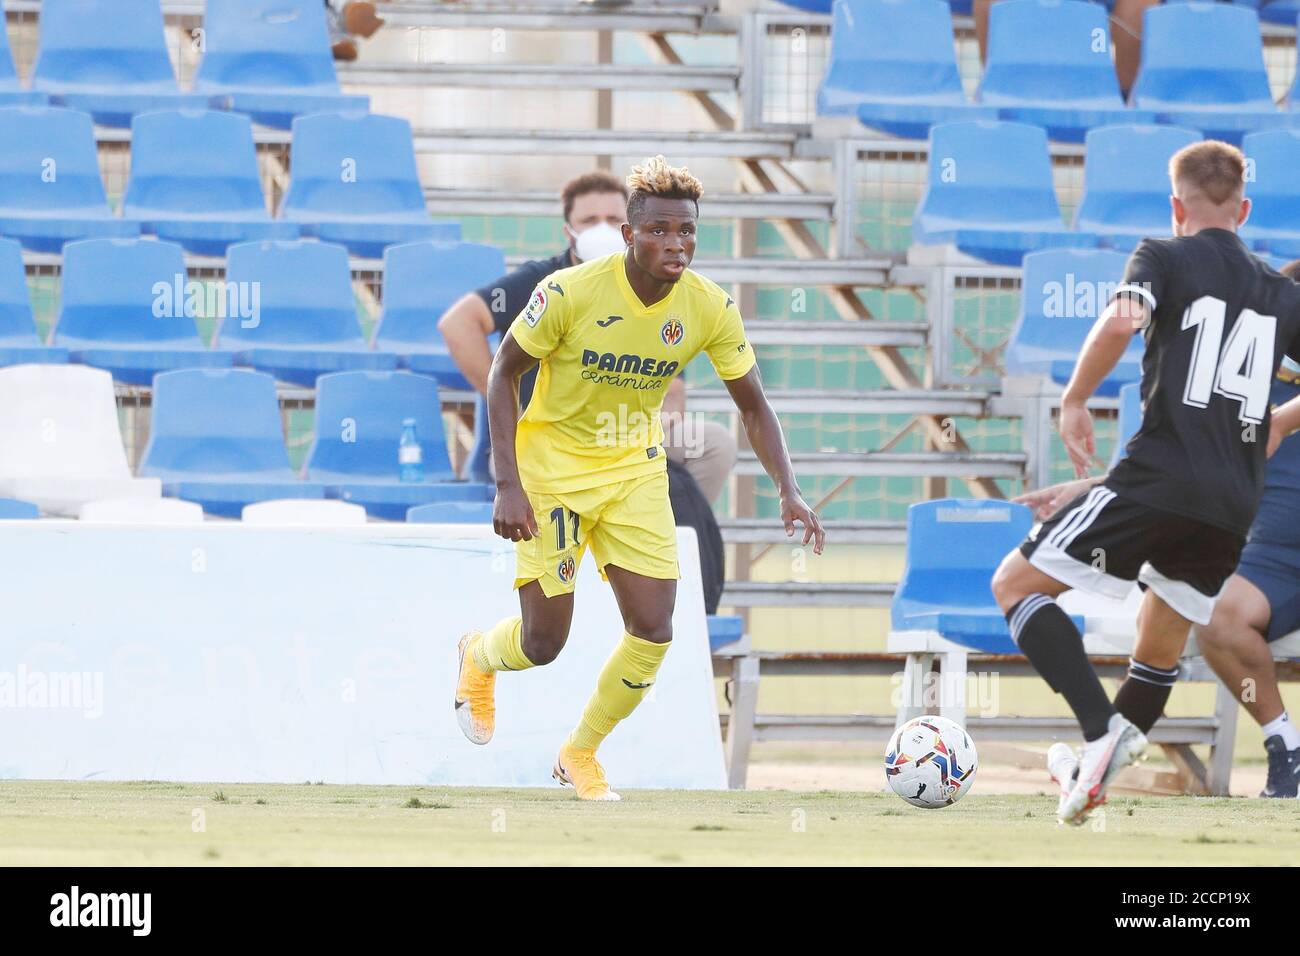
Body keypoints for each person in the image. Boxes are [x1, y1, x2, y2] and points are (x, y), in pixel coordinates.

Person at [452, 155, 825, 800]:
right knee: (544, 643)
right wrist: (507, 482)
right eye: (658, 231)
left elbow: (753, 405)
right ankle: (479, 655)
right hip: (554, 472)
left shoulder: (708, 306)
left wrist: (788, 490)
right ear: (629, 234)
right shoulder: (568, 292)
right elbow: (501, 372)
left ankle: (580, 752)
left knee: (654, 629)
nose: (674, 244)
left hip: (634, 473)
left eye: (686, 232)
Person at [990, 140, 1300, 825]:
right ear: (1244, 209)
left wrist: (1075, 398)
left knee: (1014, 584)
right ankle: (1094, 776)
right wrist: (1279, 417)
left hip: (1157, 479)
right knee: (1156, 649)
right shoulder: (1283, 294)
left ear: (1176, 206)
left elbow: (1123, 319)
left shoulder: (1162, 255)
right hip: (1230, 508)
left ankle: (1099, 736)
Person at [437, 171, 739, 503]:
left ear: (632, 228)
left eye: (612, 219)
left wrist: (636, 442)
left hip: (627, 435)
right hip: (546, 437)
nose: (602, 228)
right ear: (569, 231)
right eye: (590, 219)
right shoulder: (541, 281)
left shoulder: (659, 287)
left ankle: (677, 542)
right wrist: (513, 404)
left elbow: (674, 396)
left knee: (713, 443)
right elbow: (458, 323)